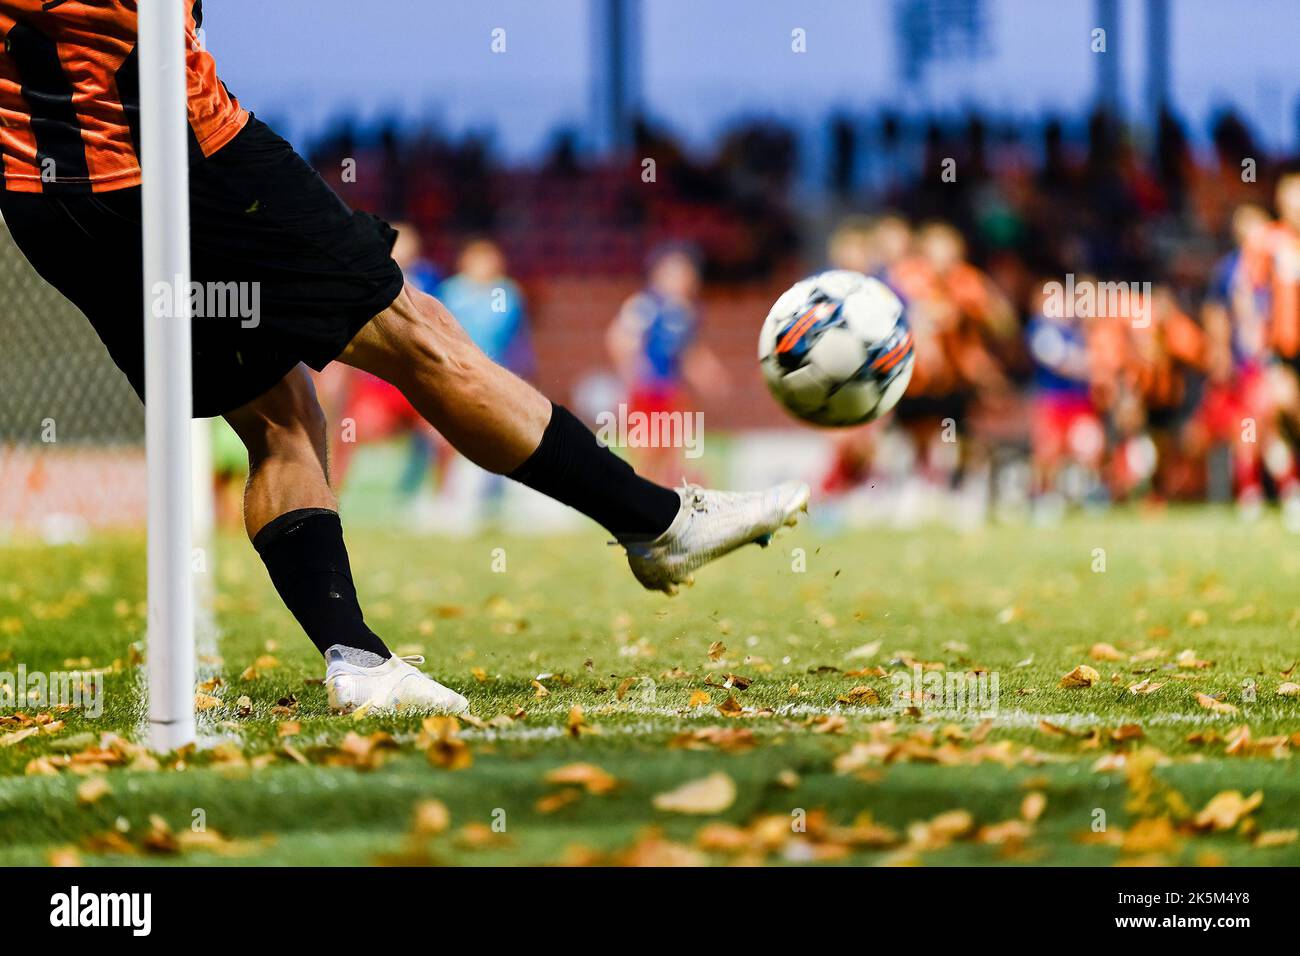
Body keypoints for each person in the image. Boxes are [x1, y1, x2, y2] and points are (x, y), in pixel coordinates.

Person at [0, 1, 808, 715]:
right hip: (182, 154)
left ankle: (357, 662)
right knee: (418, 335)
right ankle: (654, 522)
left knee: (277, 412)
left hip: (55, 206)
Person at [606, 244, 729, 485]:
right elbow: (618, 338)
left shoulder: (686, 313)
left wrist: (710, 376)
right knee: (647, 452)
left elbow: (689, 353)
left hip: (671, 393)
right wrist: (630, 374)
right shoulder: (646, 304)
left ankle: (659, 504)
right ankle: (638, 502)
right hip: (647, 392)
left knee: (671, 453)